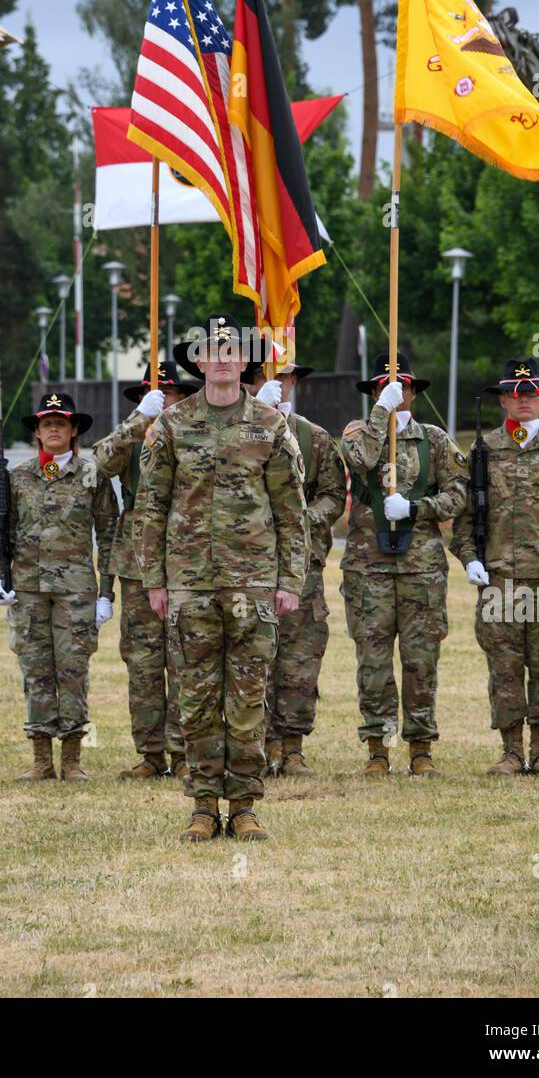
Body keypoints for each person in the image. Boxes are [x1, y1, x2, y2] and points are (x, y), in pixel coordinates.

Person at [137, 314, 309, 842]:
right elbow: (152, 504)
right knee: (195, 695)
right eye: (213, 350)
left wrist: (290, 579)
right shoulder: (172, 423)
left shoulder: (270, 424)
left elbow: (290, 508)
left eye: (233, 350)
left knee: (248, 694)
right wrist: (155, 579)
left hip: (253, 580)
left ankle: (245, 804)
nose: (223, 358)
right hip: (189, 581)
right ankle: (204, 805)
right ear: (198, 360)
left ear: (245, 360)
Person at [0, 390, 152, 782]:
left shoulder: (92, 475)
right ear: (38, 432)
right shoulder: (18, 477)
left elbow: (108, 534)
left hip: (76, 590)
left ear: (74, 429)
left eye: (61, 422)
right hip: (27, 589)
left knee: (73, 671)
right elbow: (3, 533)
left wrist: (106, 593)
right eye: (47, 423)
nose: (54, 429)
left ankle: (73, 759)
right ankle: (42, 760)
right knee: (36, 671)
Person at [450, 358, 539, 777]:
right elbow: (464, 517)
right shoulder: (483, 450)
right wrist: (470, 558)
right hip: (500, 576)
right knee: (504, 665)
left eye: (530, 393)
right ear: (503, 402)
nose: (523, 400)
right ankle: (511, 750)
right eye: (514, 394)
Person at [340, 351, 468, 777]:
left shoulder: (434, 439)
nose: (396, 393)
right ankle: (379, 748)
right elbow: (362, 461)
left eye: (401, 388)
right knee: (373, 661)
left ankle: (421, 747)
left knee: (420, 660)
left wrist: (416, 507)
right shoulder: (358, 432)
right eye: (385, 387)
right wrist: (381, 412)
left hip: (421, 568)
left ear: (412, 391)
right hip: (367, 568)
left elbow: (458, 495)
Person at [244, 358, 346, 776]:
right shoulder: (240, 433)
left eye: (286, 378)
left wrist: (301, 517)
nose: (280, 384)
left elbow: (334, 494)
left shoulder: (313, 437)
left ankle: (292, 746)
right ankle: (259, 744)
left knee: (300, 661)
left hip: (301, 568)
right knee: (254, 658)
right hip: (251, 566)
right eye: (269, 377)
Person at [113, 360, 200, 782]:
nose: (164, 401)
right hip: (138, 562)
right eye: (156, 394)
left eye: (171, 394)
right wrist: (138, 419)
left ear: (183, 398)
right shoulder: (132, 434)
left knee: (185, 661)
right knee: (144, 664)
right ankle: (150, 754)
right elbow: (99, 465)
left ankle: (183, 751)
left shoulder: (193, 431)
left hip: (186, 559)